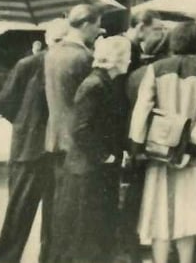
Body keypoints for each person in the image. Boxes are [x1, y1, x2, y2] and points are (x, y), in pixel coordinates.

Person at [129, 22, 196, 263]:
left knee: (160, 214)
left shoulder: (155, 69)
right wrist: (191, 146)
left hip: (158, 151)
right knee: (187, 217)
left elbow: (142, 109)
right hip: (192, 157)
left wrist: (137, 146)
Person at [0, 22, 65, 263]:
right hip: (33, 150)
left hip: (40, 149)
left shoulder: (32, 64)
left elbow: (6, 102)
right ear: (49, 41)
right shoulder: (29, 65)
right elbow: (5, 102)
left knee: (47, 216)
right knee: (21, 214)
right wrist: (26, 122)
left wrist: (24, 123)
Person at [55, 35, 132, 263]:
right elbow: (80, 129)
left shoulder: (103, 82)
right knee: (86, 236)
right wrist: (105, 156)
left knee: (92, 235)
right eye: (127, 55)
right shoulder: (95, 85)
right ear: (117, 59)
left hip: (92, 170)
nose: (130, 60)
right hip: (87, 172)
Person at [44, 4, 103, 261]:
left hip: (55, 138)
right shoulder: (83, 58)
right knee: (77, 215)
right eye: (97, 24)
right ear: (87, 24)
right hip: (76, 144)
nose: (99, 30)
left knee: (59, 209)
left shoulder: (53, 53)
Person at [119, 17, 171, 262]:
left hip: (136, 140)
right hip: (157, 142)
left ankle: (132, 242)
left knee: (136, 193)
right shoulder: (161, 75)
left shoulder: (136, 73)